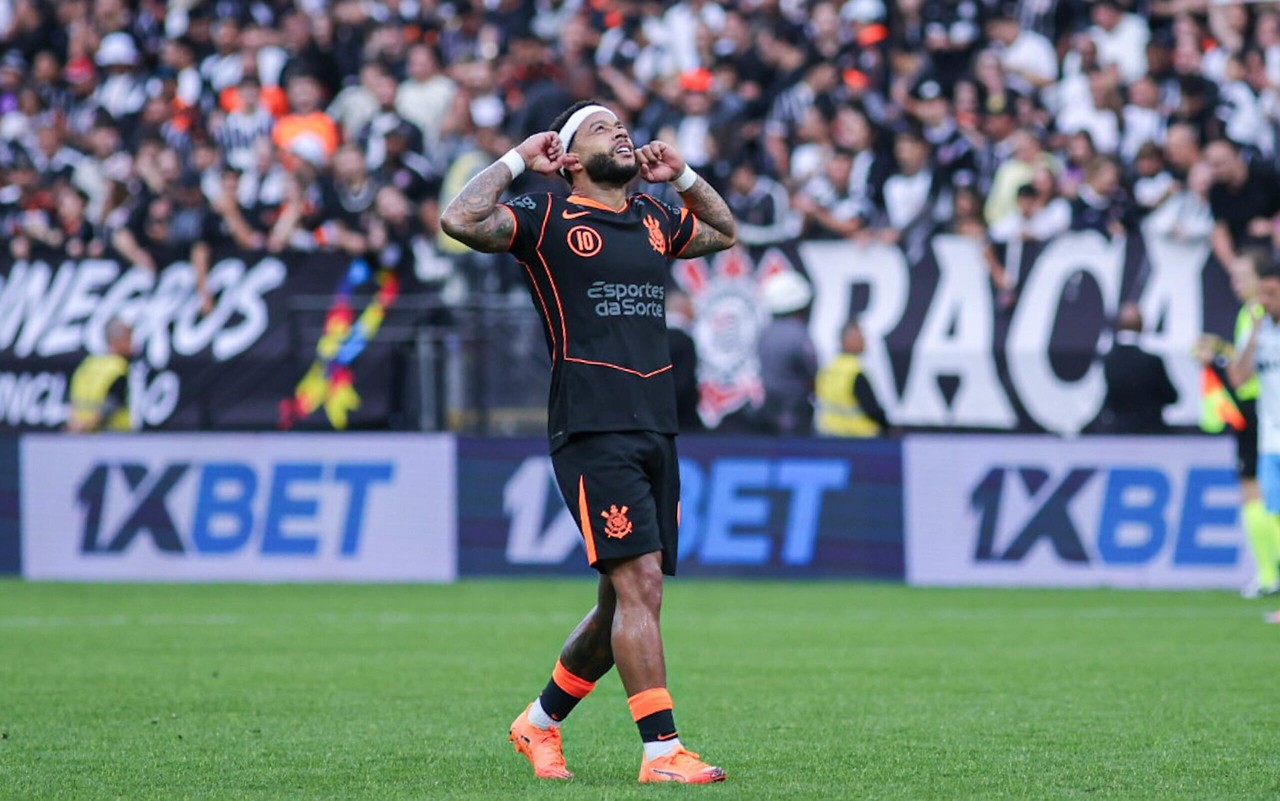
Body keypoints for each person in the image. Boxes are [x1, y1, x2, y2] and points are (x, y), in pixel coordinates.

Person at [440, 99, 736, 784]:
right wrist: (518, 160)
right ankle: (662, 752)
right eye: (602, 127)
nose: (621, 131)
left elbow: (724, 231)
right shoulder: (546, 217)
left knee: (620, 601)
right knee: (640, 583)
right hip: (592, 424)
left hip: (655, 422)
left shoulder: (653, 216)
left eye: (622, 124)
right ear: (569, 158)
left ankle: (539, 721)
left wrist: (683, 176)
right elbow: (460, 219)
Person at [1221, 251, 1280, 597]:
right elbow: (1239, 376)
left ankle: (1268, 575)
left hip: (1258, 420)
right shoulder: (1254, 320)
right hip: (1268, 430)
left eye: (1243, 277)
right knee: (1271, 507)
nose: (1237, 284)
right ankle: (1270, 575)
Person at [1098, 304, 1178, 433]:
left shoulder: (1108, 360)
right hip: (1152, 432)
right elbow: (1172, 396)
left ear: (1118, 326)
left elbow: (1108, 399)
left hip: (1119, 433)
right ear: (1142, 326)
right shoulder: (1152, 361)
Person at [756, 270, 819, 436]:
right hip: (795, 413)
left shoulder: (766, 333)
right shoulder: (798, 334)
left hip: (769, 409)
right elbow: (812, 376)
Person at [814, 318, 889, 437]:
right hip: (858, 437)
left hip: (829, 434)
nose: (864, 341)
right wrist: (887, 427)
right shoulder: (854, 371)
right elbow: (872, 410)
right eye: (859, 337)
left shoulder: (828, 368)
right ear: (846, 341)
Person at [67, 319, 134, 433]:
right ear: (117, 340)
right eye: (129, 339)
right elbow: (112, 404)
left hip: (79, 433)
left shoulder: (88, 364)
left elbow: (71, 401)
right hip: (111, 435)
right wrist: (87, 426)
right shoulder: (119, 367)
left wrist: (76, 425)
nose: (132, 345)